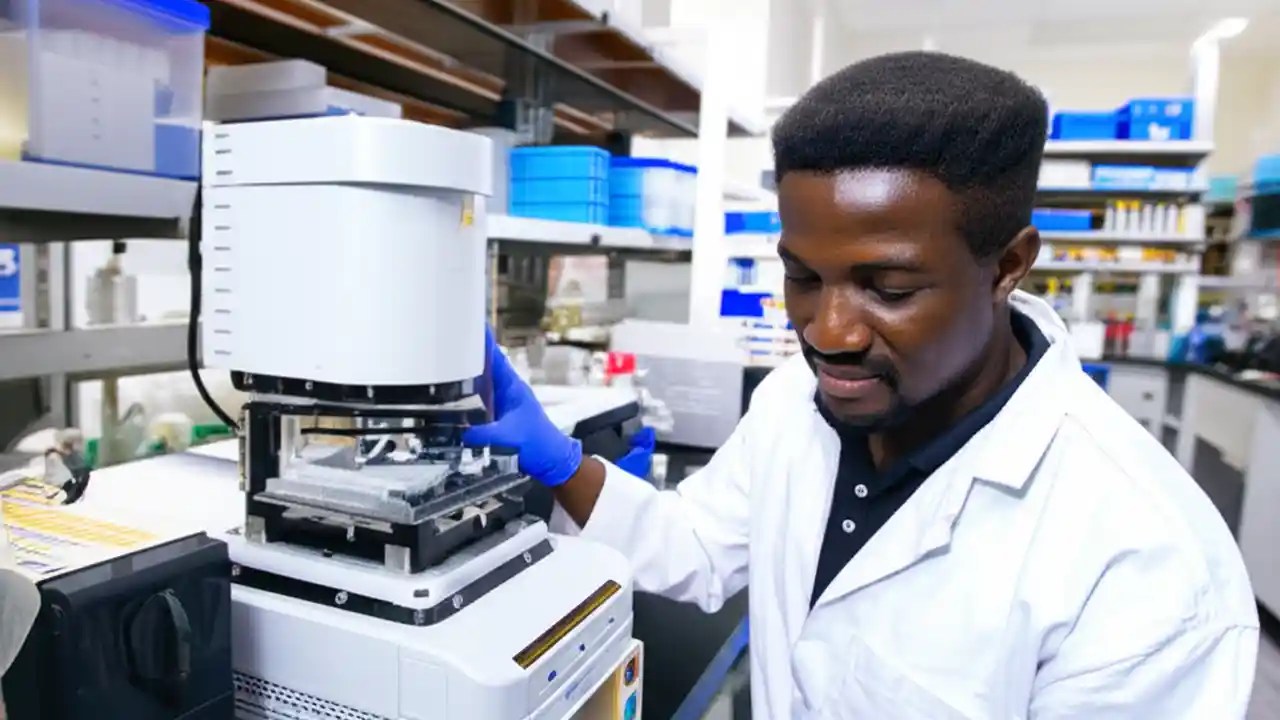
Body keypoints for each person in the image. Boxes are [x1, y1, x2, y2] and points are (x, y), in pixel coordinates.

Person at [464, 51, 1259, 718]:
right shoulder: (793, 403)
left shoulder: (1147, 563)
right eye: (803, 276)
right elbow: (699, 550)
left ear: (1008, 266)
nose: (827, 333)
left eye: (889, 286)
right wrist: (564, 466)